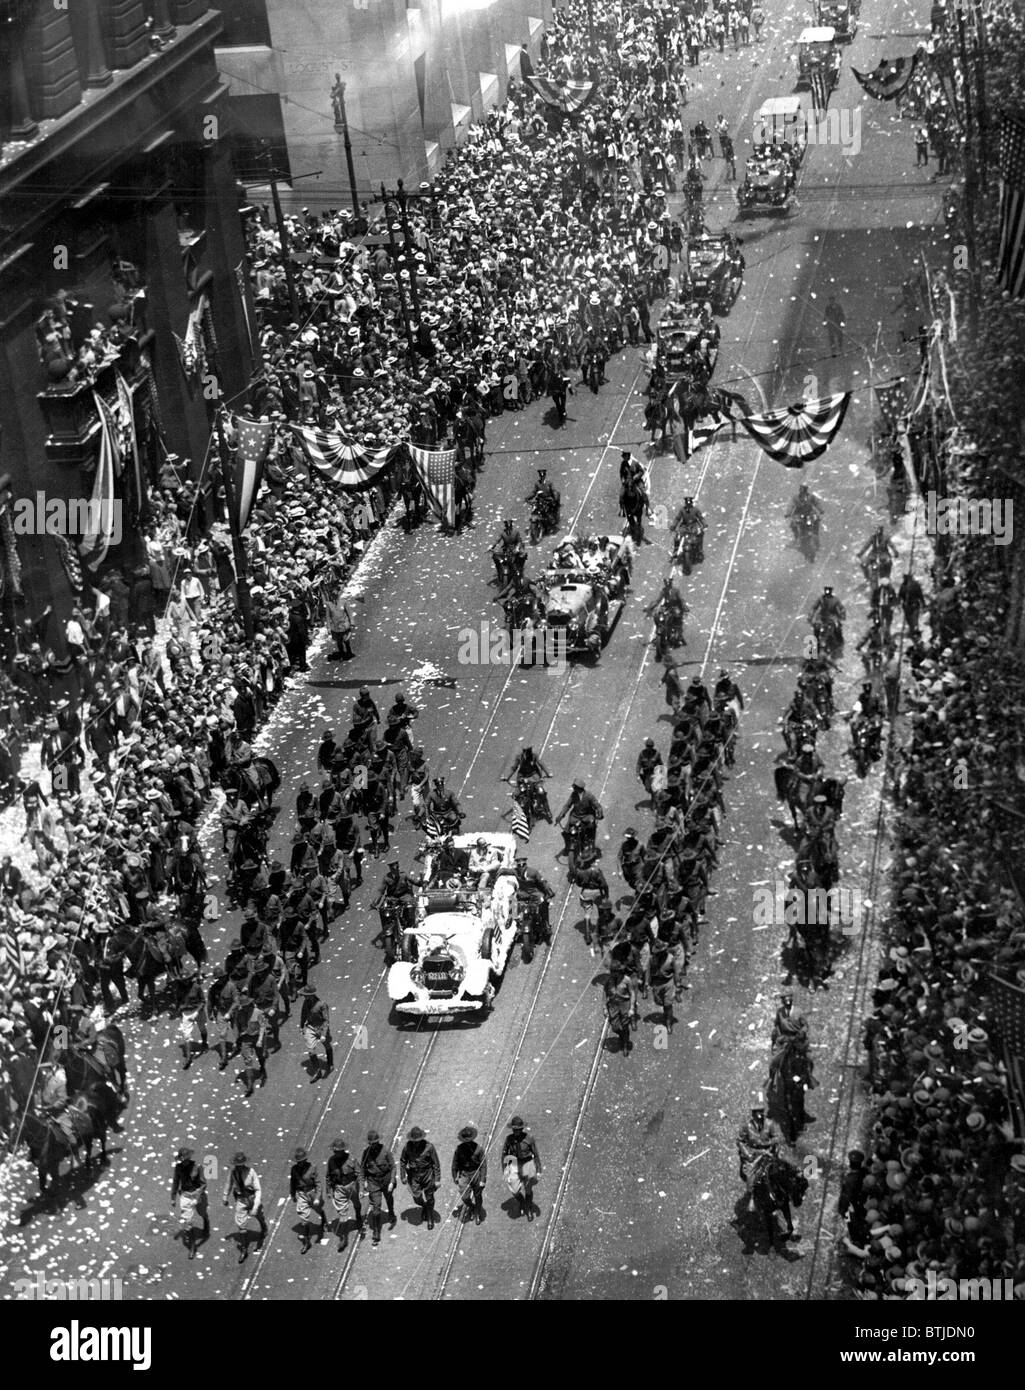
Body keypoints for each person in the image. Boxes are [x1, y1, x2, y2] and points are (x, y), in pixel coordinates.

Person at [223, 1150, 268, 1264]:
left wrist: (255, 1207)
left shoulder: (251, 1172)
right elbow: (229, 1184)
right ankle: (244, 1249)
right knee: (241, 1225)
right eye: (237, 1165)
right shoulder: (232, 1173)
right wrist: (225, 1196)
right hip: (241, 1200)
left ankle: (263, 1226)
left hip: (252, 1198)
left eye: (240, 1165)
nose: (239, 1167)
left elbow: (258, 1190)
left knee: (259, 1215)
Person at [737, 1103, 783, 1207]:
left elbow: (776, 1138)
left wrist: (771, 1146)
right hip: (754, 1155)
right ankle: (752, 1196)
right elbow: (740, 1141)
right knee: (751, 1176)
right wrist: (748, 1154)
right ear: (753, 1115)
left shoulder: (770, 1124)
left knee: (780, 1173)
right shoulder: (747, 1127)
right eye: (757, 1114)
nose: (760, 1116)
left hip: (768, 1153)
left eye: (761, 1113)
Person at [358, 1129, 397, 1245]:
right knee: (376, 1208)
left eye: (375, 1142)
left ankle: (391, 1212)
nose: (373, 1145)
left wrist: (391, 1181)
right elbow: (362, 1171)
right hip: (373, 1182)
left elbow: (393, 1167)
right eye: (371, 1143)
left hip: (385, 1179)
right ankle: (376, 1231)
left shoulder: (385, 1151)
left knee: (389, 1198)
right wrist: (362, 1186)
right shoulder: (366, 1153)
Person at [170, 1144, 209, 1260]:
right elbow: (176, 1182)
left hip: (197, 1194)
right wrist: (173, 1197)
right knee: (188, 1222)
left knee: (202, 1212)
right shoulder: (178, 1168)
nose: (184, 1161)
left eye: (186, 1159)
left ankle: (206, 1223)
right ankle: (193, 1247)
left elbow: (203, 1183)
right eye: (182, 1159)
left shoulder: (197, 1166)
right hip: (185, 1196)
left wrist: (198, 1194)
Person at [400, 1125, 441, 1229]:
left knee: (430, 1197)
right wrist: (402, 1175)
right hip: (414, 1176)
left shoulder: (429, 1147)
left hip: (427, 1174)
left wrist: (437, 1179)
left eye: (418, 1140)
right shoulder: (407, 1147)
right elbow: (402, 1161)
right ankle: (425, 1207)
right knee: (417, 1198)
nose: (416, 1142)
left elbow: (436, 1164)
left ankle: (430, 1218)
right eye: (414, 1140)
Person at [327, 1136, 364, 1250]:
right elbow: (328, 1176)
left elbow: (359, 1174)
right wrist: (329, 1190)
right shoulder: (331, 1161)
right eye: (335, 1151)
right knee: (342, 1213)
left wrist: (362, 1189)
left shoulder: (352, 1160)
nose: (336, 1153)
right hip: (339, 1188)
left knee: (356, 1203)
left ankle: (358, 1217)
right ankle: (344, 1238)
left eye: (338, 1151)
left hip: (352, 1185)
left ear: (343, 1151)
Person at [501, 1116, 541, 1220]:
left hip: (527, 1162)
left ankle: (528, 1208)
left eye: (518, 1129)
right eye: (514, 1130)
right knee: (514, 1190)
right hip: (514, 1163)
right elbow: (504, 1154)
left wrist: (538, 1169)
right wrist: (505, 1169)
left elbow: (535, 1154)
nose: (516, 1132)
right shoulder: (509, 1139)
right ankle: (522, 1202)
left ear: (521, 1129)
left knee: (528, 1188)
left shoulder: (528, 1138)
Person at [555, 778, 604, 857]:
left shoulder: (589, 795)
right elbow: (567, 805)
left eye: (575, 787)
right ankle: (568, 847)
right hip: (575, 816)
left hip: (587, 816)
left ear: (579, 788)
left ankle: (590, 843)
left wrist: (600, 813)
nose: (573, 788)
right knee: (566, 832)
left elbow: (597, 805)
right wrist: (561, 815)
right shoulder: (573, 795)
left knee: (591, 827)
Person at [290, 1147, 326, 1253]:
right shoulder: (294, 1169)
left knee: (318, 1209)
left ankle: (323, 1219)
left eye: (302, 1161)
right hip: (301, 1194)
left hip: (312, 1192)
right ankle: (306, 1242)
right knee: (303, 1218)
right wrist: (292, 1194)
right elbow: (293, 1182)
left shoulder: (312, 1167)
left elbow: (318, 1183)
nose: (300, 1164)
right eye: (298, 1162)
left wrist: (317, 1197)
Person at [451, 1123, 487, 1225]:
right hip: (464, 1174)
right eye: (465, 1141)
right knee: (464, 1196)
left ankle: (477, 1213)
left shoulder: (478, 1149)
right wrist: (455, 1176)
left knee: (478, 1195)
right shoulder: (459, 1149)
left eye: (469, 1141)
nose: (467, 1143)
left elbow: (483, 1164)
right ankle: (471, 1206)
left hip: (476, 1173)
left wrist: (482, 1180)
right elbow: (455, 1164)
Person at [299, 984, 333, 1081]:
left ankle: (330, 1063)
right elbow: (303, 1015)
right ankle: (317, 1072)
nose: (304, 996)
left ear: (311, 995)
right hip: (310, 1027)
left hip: (321, 1028)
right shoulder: (305, 1003)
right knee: (311, 1051)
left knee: (327, 1045)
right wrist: (302, 1026)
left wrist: (323, 1034)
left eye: (305, 995)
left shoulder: (322, 1005)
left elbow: (326, 1020)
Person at [838, 1149, 870, 1247]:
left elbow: (845, 1197)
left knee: (851, 1224)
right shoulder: (864, 1173)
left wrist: (842, 1210)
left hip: (852, 1207)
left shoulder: (849, 1180)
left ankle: (856, 1240)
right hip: (862, 1202)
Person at [604, 962, 637, 1054]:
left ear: (620, 971)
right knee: (615, 1027)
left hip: (624, 1004)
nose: (614, 973)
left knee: (625, 1026)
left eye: (615, 971)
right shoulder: (609, 980)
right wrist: (605, 1007)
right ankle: (622, 1036)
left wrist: (632, 1008)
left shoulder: (627, 980)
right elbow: (604, 993)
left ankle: (625, 1044)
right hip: (613, 1005)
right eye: (612, 971)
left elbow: (632, 993)